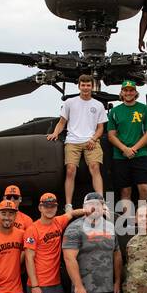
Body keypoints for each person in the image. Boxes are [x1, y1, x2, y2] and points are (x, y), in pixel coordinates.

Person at [47, 74, 107, 204]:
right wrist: (55, 133)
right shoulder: (69, 102)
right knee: (70, 170)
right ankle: (68, 204)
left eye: (88, 85)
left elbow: (100, 128)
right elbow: (62, 122)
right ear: (79, 86)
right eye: (83, 85)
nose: (86, 88)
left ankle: (100, 201)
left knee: (95, 167)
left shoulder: (98, 105)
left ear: (92, 86)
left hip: (91, 140)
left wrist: (93, 139)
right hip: (73, 141)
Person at [106, 81, 147, 203]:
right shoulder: (114, 111)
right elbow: (111, 135)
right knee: (125, 191)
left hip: (140, 154)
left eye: (131, 90)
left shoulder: (144, 109)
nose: (128, 93)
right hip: (120, 156)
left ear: (135, 92)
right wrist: (125, 149)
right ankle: (127, 220)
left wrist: (133, 149)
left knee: (144, 188)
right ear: (122, 93)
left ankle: (144, 219)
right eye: (126, 90)